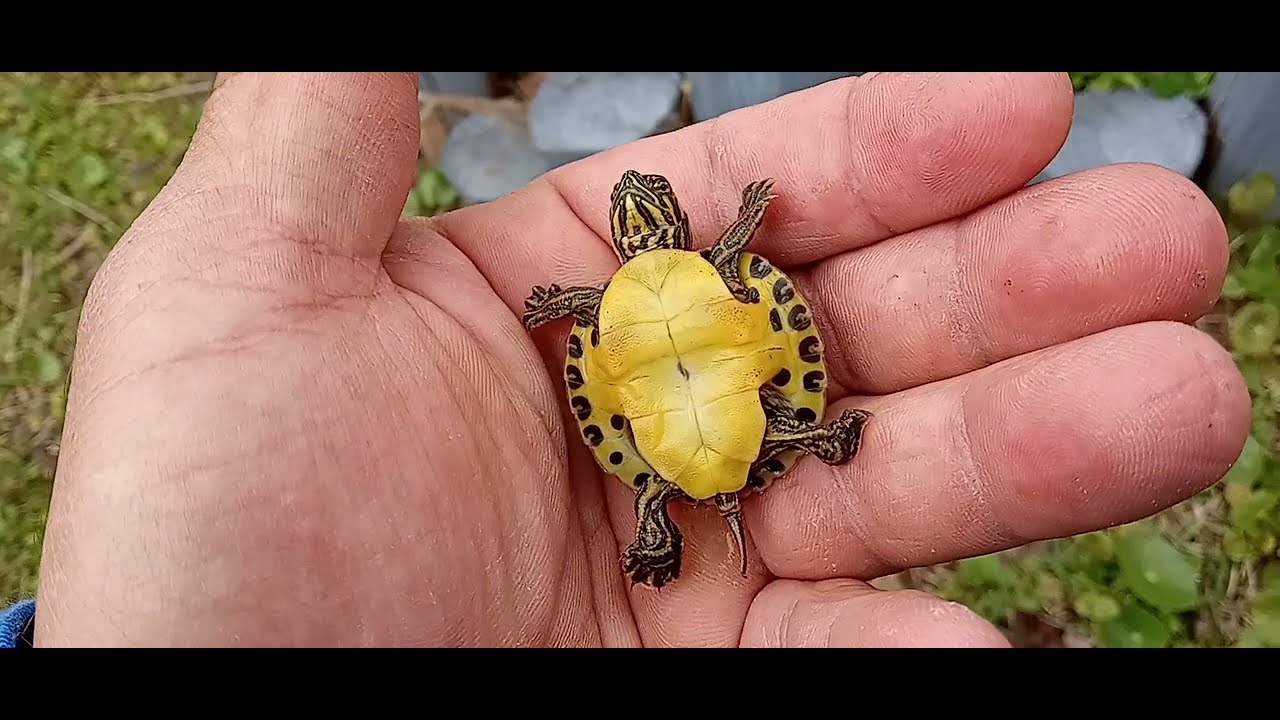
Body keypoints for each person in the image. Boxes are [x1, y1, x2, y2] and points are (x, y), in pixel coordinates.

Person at [1, 72, 1252, 648]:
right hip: (715, 391)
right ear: (658, 237)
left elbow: (620, 342)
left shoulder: (597, 296)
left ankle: (745, 467)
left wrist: (704, 258)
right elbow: (748, 304)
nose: (655, 207)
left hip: (675, 418)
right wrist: (740, 236)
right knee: (735, 434)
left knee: (690, 454)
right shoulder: (695, 271)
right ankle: (784, 446)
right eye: (651, 208)